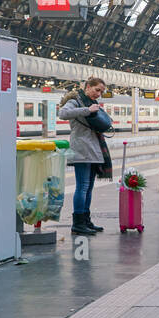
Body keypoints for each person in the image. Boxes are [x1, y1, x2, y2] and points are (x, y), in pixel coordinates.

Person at [59, 76, 108, 234]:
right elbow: (63, 113)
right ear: (88, 87)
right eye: (97, 90)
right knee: (82, 186)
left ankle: (86, 220)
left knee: (89, 188)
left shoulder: (91, 103)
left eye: (101, 91)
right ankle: (78, 223)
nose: (98, 94)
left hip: (93, 148)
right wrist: (88, 110)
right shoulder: (76, 100)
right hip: (81, 149)